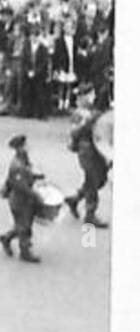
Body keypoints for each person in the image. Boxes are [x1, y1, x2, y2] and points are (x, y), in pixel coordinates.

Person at [64, 90, 111, 228]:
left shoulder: (94, 112)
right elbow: (75, 132)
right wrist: (90, 122)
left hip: (98, 150)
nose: (92, 98)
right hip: (87, 150)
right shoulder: (80, 114)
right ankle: (90, 215)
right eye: (89, 95)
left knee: (100, 180)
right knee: (92, 180)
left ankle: (75, 198)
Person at [0, 134, 43, 263]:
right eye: (25, 145)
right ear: (19, 148)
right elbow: (21, 187)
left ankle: (7, 238)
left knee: (22, 224)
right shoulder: (17, 165)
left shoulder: (23, 159)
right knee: (24, 226)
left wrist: (36, 175)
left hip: (24, 199)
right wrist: (37, 196)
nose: (28, 147)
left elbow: (27, 172)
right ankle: (25, 252)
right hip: (19, 200)